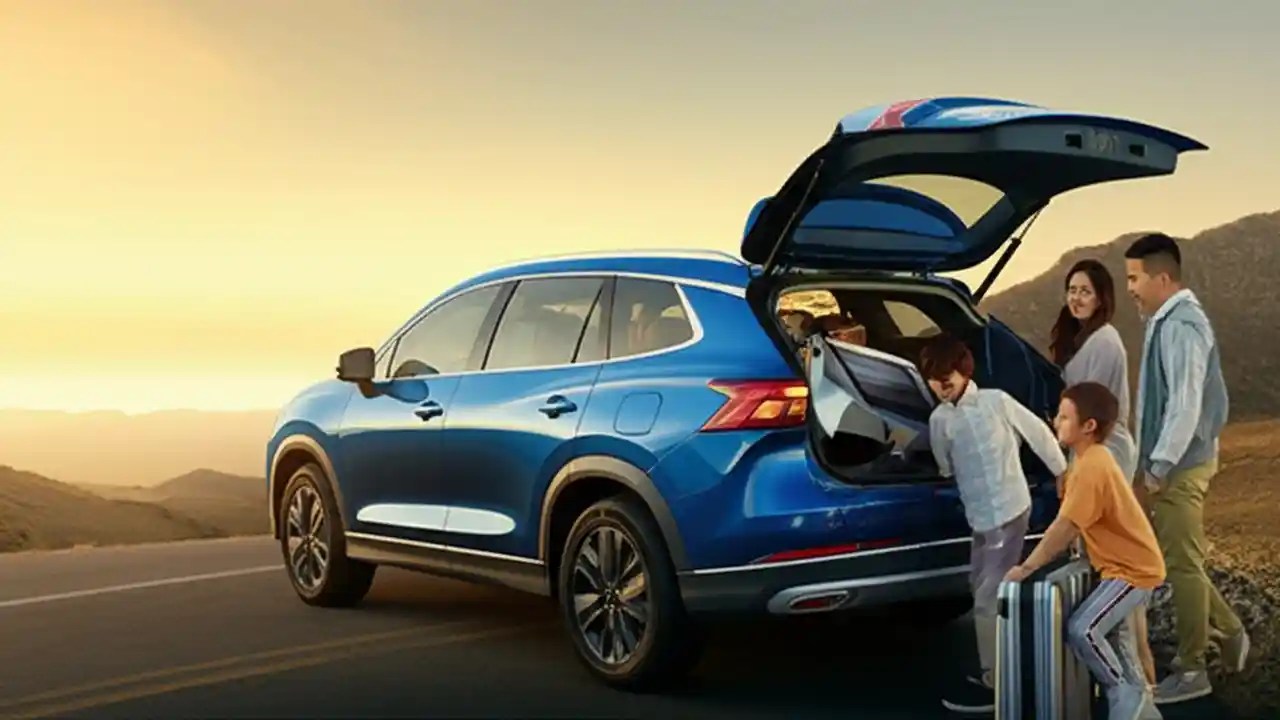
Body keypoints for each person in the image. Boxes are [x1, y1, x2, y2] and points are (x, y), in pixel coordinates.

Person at [1124, 232, 1249, 705]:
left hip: (1180, 466)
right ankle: (1233, 630)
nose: (1131, 288)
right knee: (1184, 561)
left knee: (1180, 565)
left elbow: (1185, 405)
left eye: (1135, 279)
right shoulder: (1165, 319)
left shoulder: (1181, 326)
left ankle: (1193, 668)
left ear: (1162, 277)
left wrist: (1157, 466)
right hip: (1179, 462)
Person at [919, 334, 1068, 715]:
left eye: (946, 375)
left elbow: (1037, 433)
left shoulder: (996, 402)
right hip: (981, 519)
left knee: (988, 596)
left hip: (1009, 510)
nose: (941, 384)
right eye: (933, 378)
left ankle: (997, 681)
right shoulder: (940, 420)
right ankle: (1000, 665)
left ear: (964, 369)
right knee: (979, 587)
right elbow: (945, 465)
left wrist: (1063, 471)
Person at [1005, 382, 1166, 720]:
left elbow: (1065, 528)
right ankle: (1141, 707)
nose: (1056, 423)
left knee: (1084, 629)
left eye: (1064, 417)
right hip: (1122, 568)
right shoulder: (1090, 460)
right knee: (1121, 641)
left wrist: (1027, 567)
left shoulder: (1092, 466)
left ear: (1088, 426)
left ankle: (1122, 695)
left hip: (1133, 571)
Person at [1049, 258, 1157, 687]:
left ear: (1101, 297)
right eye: (1072, 289)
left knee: (1117, 565)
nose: (1076, 297)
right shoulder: (1084, 339)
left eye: (1085, 291)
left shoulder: (1104, 342)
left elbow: (1083, 413)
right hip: (1095, 450)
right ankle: (1138, 684)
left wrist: (1067, 465)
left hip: (1104, 453)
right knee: (1111, 564)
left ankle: (1140, 685)